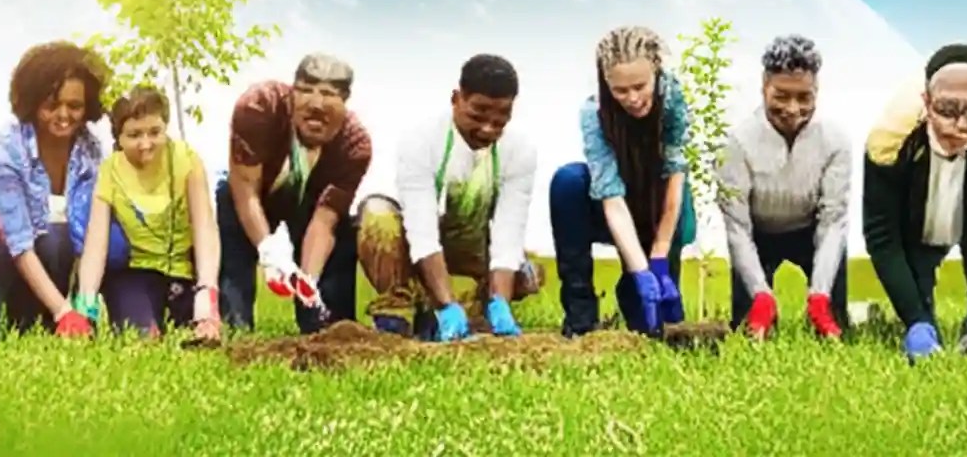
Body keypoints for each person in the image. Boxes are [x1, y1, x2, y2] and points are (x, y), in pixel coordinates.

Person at [863, 43, 967, 361]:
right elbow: (883, 237)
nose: (960, 126)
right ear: (926, 103)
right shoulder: (889, 144)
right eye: (947, 111)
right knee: (917, 298)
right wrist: (915, 320)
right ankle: (909, 321)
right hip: (917, 225)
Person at [357, 54, 544, 342]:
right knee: (377, 216)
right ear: (456, 99)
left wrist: (501, 303)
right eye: (478, 114)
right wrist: (447, 305)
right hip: (415, 246)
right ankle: (402, 310)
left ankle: (479, 310)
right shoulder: (421, 139)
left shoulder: (520, 151)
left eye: (501, 117)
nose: (488, 129)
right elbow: (421, 231)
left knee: (528, 273)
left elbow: (508, 230)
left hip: (468, 245)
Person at [550, 26, 697, 337]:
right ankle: (581, 317)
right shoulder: (594, 114)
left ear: (656, 70)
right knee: (568, 181)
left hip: (659, 206)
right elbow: (611, 196)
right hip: (614, 209)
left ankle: (632, 290)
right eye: (620, 90)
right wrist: (640, 270)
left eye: (640, 86)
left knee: (652, 326)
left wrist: (658, 255)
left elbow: (675, 175)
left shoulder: (672, 99)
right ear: (606, 83)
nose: (632, 98)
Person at [217, 53, 372, 335]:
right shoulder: (258, 106)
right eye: (306, 90)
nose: (316, 103)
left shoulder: (355, 144)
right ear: (292, 91)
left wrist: (308, 278)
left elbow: (325, 220)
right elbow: (245, 189)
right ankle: (233, 322)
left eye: (328, 94)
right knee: (228, 209)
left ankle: (324, 324)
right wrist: (269, 251)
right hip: (253, 198)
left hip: (309, 208)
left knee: (341, 242)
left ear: (346, 100)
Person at [0, 41, 108, 339]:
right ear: (32, 102)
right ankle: (44, 311)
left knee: (57, 239)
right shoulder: (4, 151)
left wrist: (84, 306)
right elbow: (18, 243)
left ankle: (42, 318)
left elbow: (89, 234)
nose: (64, 115)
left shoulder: (89, 149)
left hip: (52, 254)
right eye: (51, 105)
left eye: (75, 105)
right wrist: (64, 312)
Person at [719, 35, 851, 340]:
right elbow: (737, 226)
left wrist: (820, 295)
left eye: (804, 97)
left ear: (817, 91)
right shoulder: (737, 142)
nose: (793, 109)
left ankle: (826, 309)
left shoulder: (835, 141)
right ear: (764, 86)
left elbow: (833, 222)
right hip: (757, 234)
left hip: (810, 232)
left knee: (835, 328)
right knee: (747, 331)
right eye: (781, 96)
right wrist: (760, 294)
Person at [72, 86, 222, 343]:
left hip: (182, 269)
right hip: (136, 271)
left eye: (155, 132)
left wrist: (207, 291)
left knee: (201, 335)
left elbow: (205, 227)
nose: (146, 144)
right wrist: (85, 309)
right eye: (134, 135)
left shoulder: (187, 160)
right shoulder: (110, 171)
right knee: (143, 338)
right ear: (119, 138)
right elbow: (96, 245)